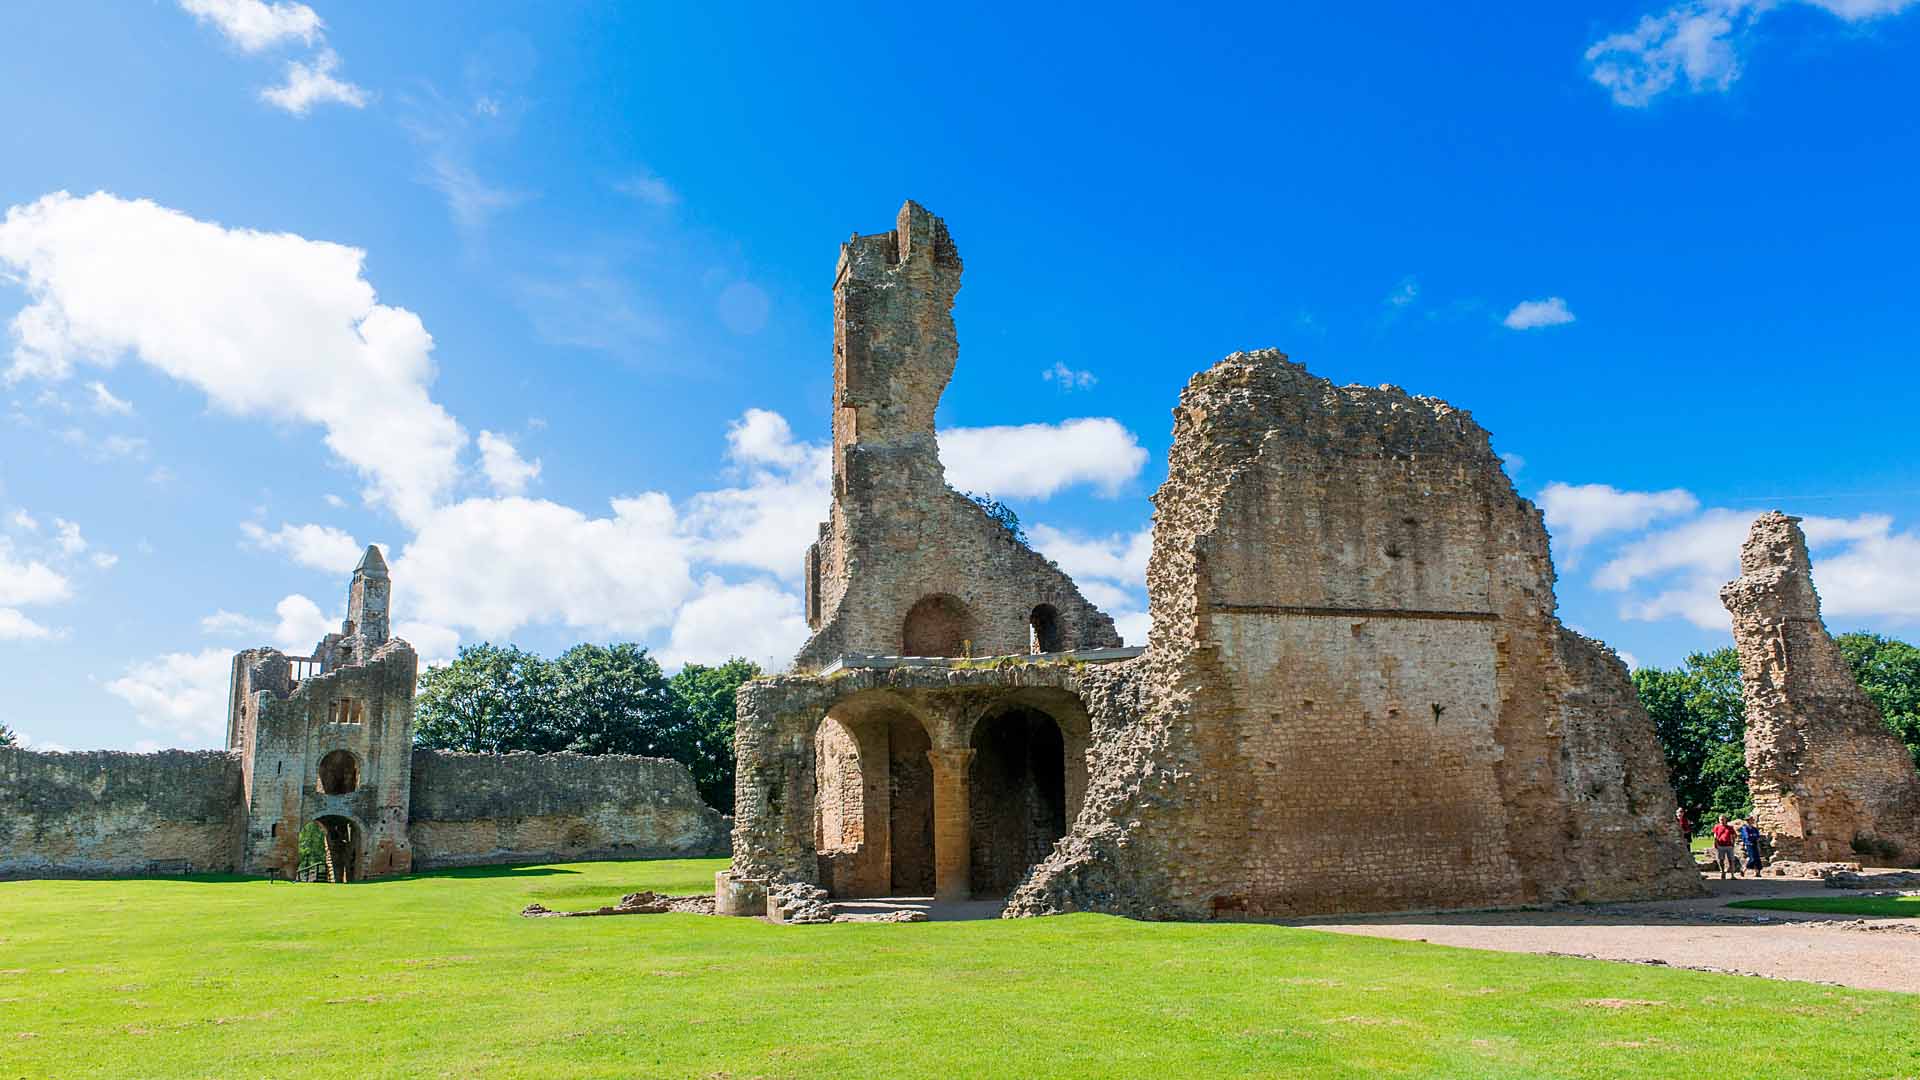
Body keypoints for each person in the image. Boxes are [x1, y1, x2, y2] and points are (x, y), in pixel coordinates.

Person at [1710, 815, 1741, 880]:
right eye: (1720, 819)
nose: (1722, 821)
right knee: (1721, 860)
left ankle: (1732, 875)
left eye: (1723, 819)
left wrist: (1733, 843)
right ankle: (1723, 872)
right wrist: (1715, 843)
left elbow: (1734, 835)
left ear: (1725, 820)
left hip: (1729, 845)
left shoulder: (1730, 827)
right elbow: (1715, 836)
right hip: (1720, 845)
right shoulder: (1717, 827)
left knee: (1731, 860)